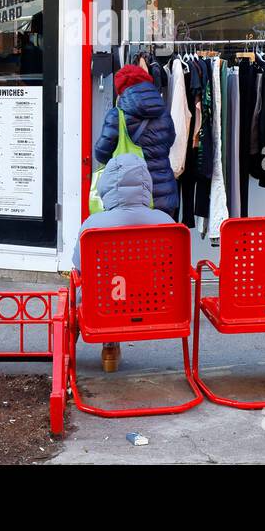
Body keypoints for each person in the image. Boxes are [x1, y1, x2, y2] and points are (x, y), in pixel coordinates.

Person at [73, 154, 175, 371]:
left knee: (87, 286)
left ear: (107, 185)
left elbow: (79, 270)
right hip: (157, 305)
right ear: (146, 184)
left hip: (106, 307)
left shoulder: (94, 225)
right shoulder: (167, 224)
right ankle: (111, 348)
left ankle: (107, 347)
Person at [94, 64, 179, 217]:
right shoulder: (163, 112)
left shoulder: (117, 115)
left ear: (121, 89)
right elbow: (170, 141)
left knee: (130, 240)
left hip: (129, 197)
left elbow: (101, 154)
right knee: (161, 239)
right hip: (164, 194)